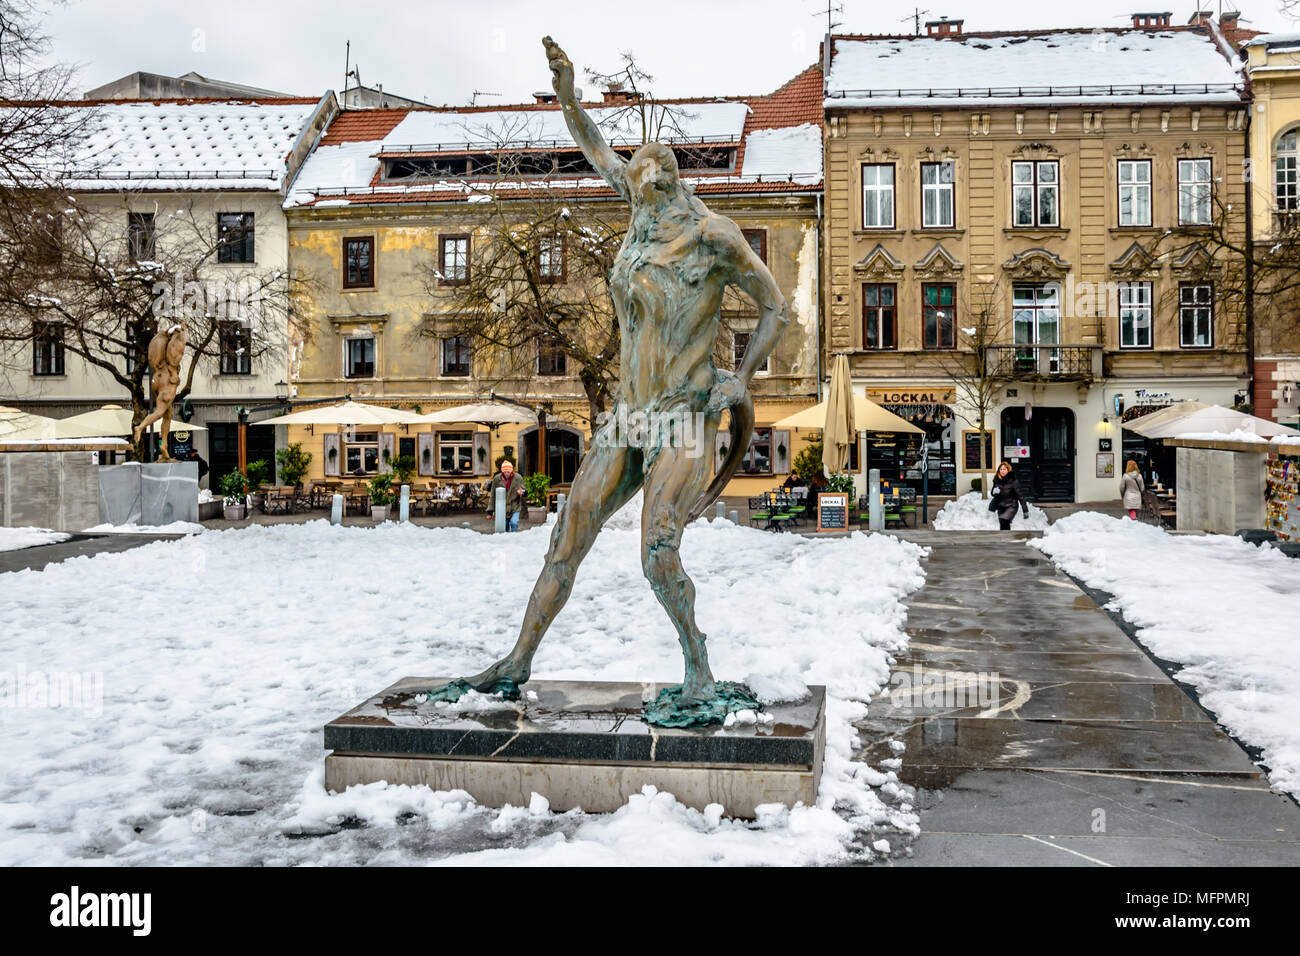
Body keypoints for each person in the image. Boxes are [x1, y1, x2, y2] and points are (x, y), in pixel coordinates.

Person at [450, 36, 789, 706]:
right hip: (629, 415)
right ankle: (517, 660)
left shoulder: (713, 236)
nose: (644, 204)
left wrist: (741, 378)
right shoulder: (636, 214)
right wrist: (570, 96)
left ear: (673, 187)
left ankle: (698, 667)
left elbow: (775, 306)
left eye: (653, 192)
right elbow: (595, 148)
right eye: (637, 191)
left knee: (656, 552)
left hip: (684, 417)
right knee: (565, 541)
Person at [485, 460, 527, 532]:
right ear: (502, 471)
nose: (507, 474)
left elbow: (524, 490)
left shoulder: (518, 478)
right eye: (505, 472)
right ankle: (507, 542)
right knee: (505, 528)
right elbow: (492, 495)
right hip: (502, 508)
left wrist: (522, 492)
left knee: (514, 523)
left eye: (508, 472)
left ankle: (514, 539)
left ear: (512, 471)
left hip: (515, 506)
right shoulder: (497, 479)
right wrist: (490, 512)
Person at [989, 459, 1029, 531]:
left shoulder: (1013, 481)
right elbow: (993, 493)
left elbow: (1021, 496)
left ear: (1008, 470)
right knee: (1002, 523)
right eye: (1001, 469)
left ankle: (1006, 538)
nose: (1002, 471)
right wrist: (994, 491)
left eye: (1004, 469)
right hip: (1001, 506)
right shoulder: (997, 480)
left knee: (1005, 520)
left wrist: (1025, 510)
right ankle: (1005, 539)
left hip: (1011, 505)